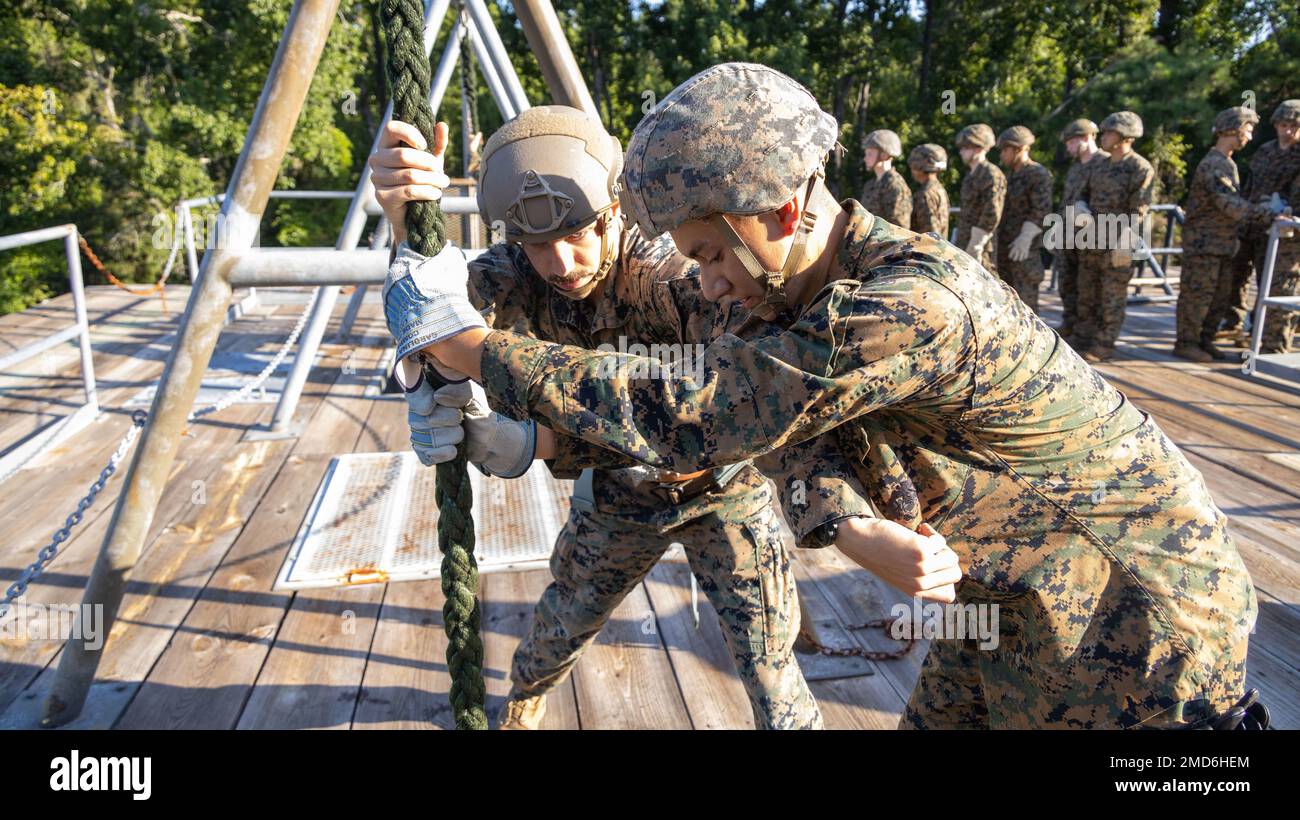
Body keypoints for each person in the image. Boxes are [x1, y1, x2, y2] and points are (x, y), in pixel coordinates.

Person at [370, 105, 882, 730]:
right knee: (562, 625)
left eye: (576, 235)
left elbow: (745, 408)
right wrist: (406, 224)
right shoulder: (517, 274)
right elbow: (431, 312)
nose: (560, 263)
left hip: (723, 492)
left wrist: (540, 443)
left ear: (613, 212)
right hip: (620, 497)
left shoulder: (683, 280)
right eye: (537, 244)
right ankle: (527, 696)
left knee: (770, 664)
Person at [1174, 106, 1277, 362]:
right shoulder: (1214, 164)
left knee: (1218, 298)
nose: (1250, 136)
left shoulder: (1227, 163)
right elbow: (1229, 204)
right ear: (1233, 129)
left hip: (1221, 245)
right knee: (1197, 297)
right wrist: (1268, 213)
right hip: (1204, 246)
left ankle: (1204, 340)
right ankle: (1187, 343)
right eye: (1248, 129)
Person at [1071, 111, 1155, 362]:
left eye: (1109, 133)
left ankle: (1104, 343)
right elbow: (1082, 194)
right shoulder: (1100, 165)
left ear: (1125, 136)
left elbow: (1139, 211)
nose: (1104, 137)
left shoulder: (1139, 167)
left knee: (1112, 297)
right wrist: (1080, 207)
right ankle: (1082, 337)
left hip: (1118, 244)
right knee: (1086, 294)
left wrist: (1126, 244)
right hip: (1092, 241)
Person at [1222, 99, 1300, 343]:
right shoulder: (1265, 150)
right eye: (1284, 125)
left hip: (1280, 229)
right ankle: (1234, 322)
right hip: (1252, 222)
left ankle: (1261, 333)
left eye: (1295, 126)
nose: (1289, 131)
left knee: (1271, 282)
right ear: (1276, 124)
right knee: (1236, 273)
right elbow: (1251, 185)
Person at [995, 126, 1054, 312]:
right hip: (1005, 248)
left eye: (1005, 149)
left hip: (1025, 250)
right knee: (1006, 303)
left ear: (1019, 149)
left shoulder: (1038, 174)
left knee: (1026, 306)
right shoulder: (1009, 176)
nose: (1002, 155)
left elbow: (1041, 210)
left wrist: (1026, 236)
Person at [1054, 119, 1103, 340]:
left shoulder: (1104, 164)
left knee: (1088, 288)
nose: (1069, 147)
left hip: (1090, 238)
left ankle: (1085, 331)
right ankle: (1070, 322)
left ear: (1087, 137)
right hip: (1069, 236)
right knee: (1067, 283)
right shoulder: (1075, 169)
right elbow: (1066, 202)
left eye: (1072, 142)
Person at [954, 123, 1006, 275]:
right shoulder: (970, 175)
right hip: (965, 242)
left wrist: (976, 243)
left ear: (978, 148)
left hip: (981, 247)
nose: (961, 152)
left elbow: (992, 212)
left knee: (985, 283)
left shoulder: (991, 174)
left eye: (965, 147)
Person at [859, 129, 912, 229]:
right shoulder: (871, 185)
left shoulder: (895, 185)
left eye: (870, 154)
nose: (865, 158)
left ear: (884, 155)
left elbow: (900, 228)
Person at [907, 143, 950, 240]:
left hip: (926, 247)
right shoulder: (939, 189)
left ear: (920, 167)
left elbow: (930, 233)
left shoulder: (925, 194)